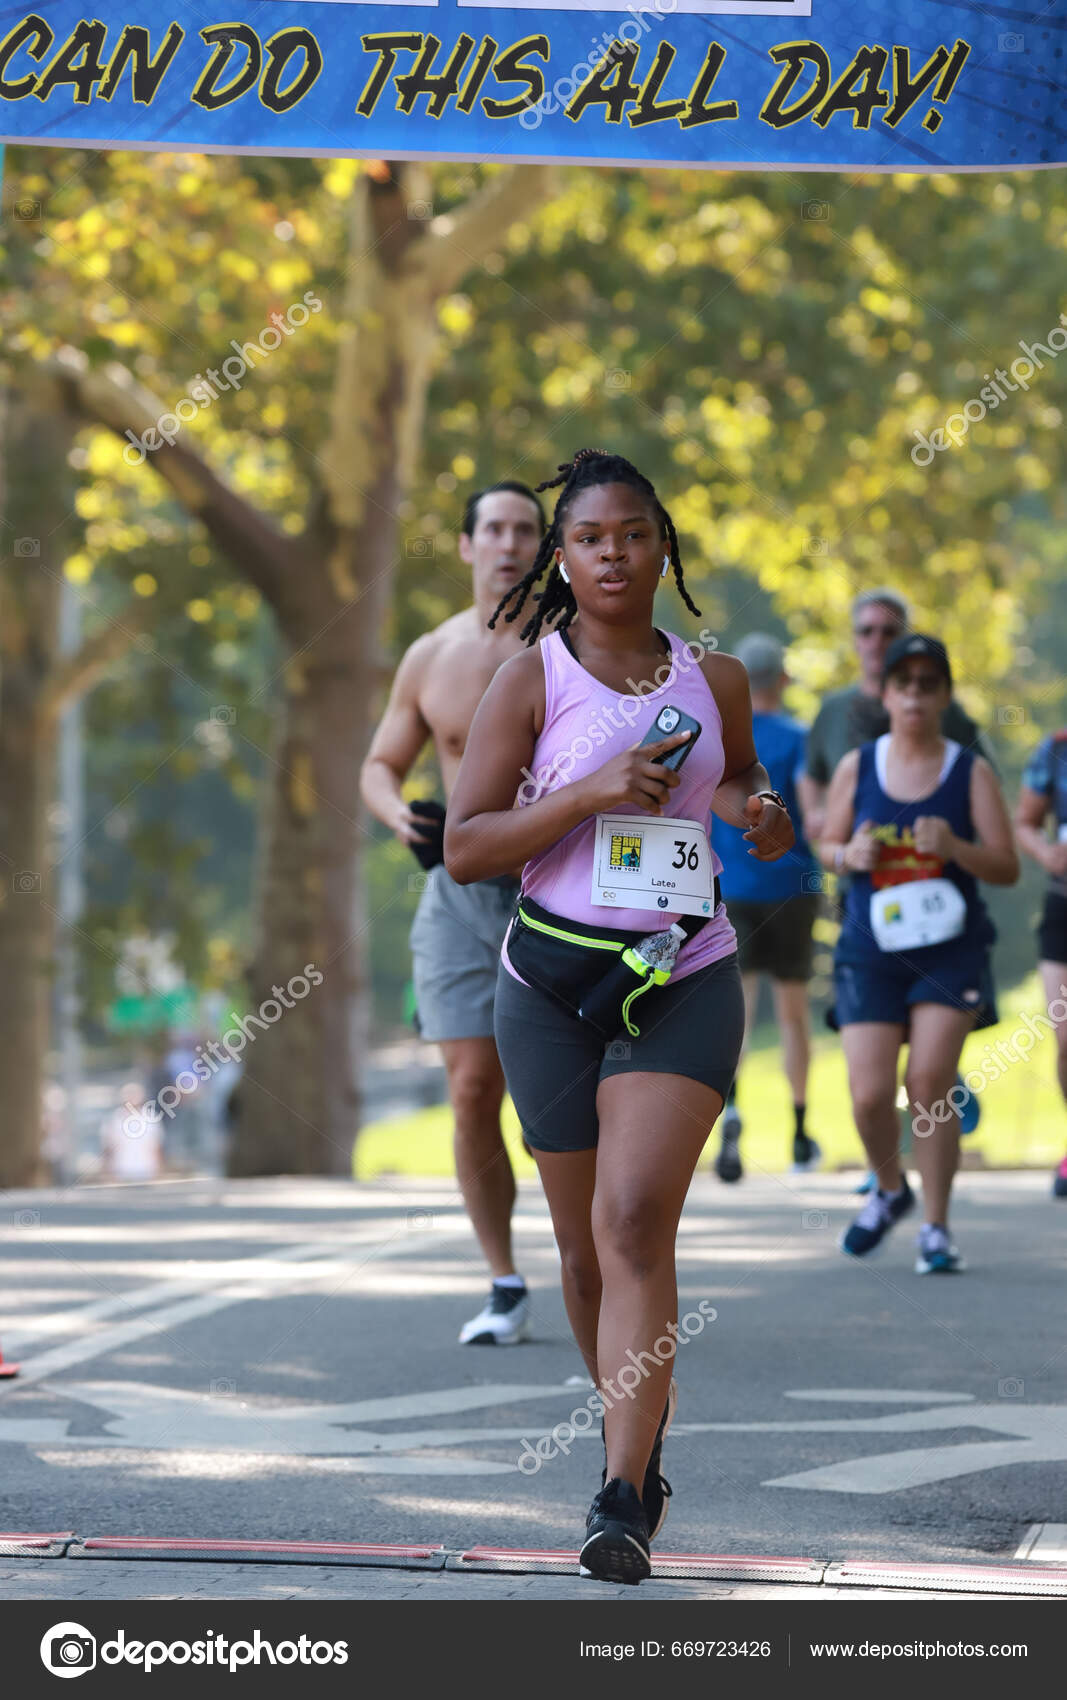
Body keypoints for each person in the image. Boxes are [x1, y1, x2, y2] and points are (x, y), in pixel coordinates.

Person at [444, 448, 794, 1584]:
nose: (612, 553)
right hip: (550, 985)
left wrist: (759, 808)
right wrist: (588, 794)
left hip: (682, 970)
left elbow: (733, 778)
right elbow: (463, 846)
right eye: (589, 537)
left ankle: (616, 1491)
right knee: (585, 1255)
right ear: (564, 553)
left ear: (663, 548)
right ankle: (634, 1461)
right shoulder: (530, 681)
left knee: (634, 1217)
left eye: (633, 534)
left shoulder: (715, 674)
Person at [360, 480, 545, 1345]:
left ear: (544, 546)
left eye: (524, 530)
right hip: (456, 894)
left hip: (556, 892)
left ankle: (595, 1256)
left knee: (554, 1105)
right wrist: (403, 819)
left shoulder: (570, 646)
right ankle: (503, 1281)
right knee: (472, 1090)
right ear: (467, 546)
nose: (508, 544)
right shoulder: (431, 655)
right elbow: (379, 764)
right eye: (493, 530)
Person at [818, 634, 1018, 1273]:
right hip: (869, 948)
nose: (913, 696)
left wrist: (956, 847)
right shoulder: (858, 764)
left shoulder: (969, 769)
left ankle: (936, 1228)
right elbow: (825, 844)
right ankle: (889, 1191)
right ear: (886, 692)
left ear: (944, 695)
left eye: (928, 685)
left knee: (929, 1080)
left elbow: (1008, 865)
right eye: (903, 683)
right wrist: (848, 855)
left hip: (949, 949)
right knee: (869, 1095)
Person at [711, 633, 822, 1183]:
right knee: (794, 1014)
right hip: (793, 887)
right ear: (782, 678)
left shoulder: (722, 739)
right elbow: (812, 809)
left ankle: (732, 1112)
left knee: (740, 1014)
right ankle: (801, 1135)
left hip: (730, 888)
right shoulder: (800, 738)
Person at [805, 589, 987, 842]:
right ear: (855, 639)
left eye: (889, 632)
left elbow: (983, 780)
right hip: (857, 867)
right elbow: (811, 773)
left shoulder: (945, 710)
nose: (877, 641)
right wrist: (816, 812)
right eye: (867, 631)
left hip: (936, 866)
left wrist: (956, 841)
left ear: (904, 636)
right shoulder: (832, 710)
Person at [1014, 728, 1067, 1197]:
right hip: (1062, 908)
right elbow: (1025, 822)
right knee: (1065, 1035)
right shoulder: (1054, 749)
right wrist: (1046, 851)